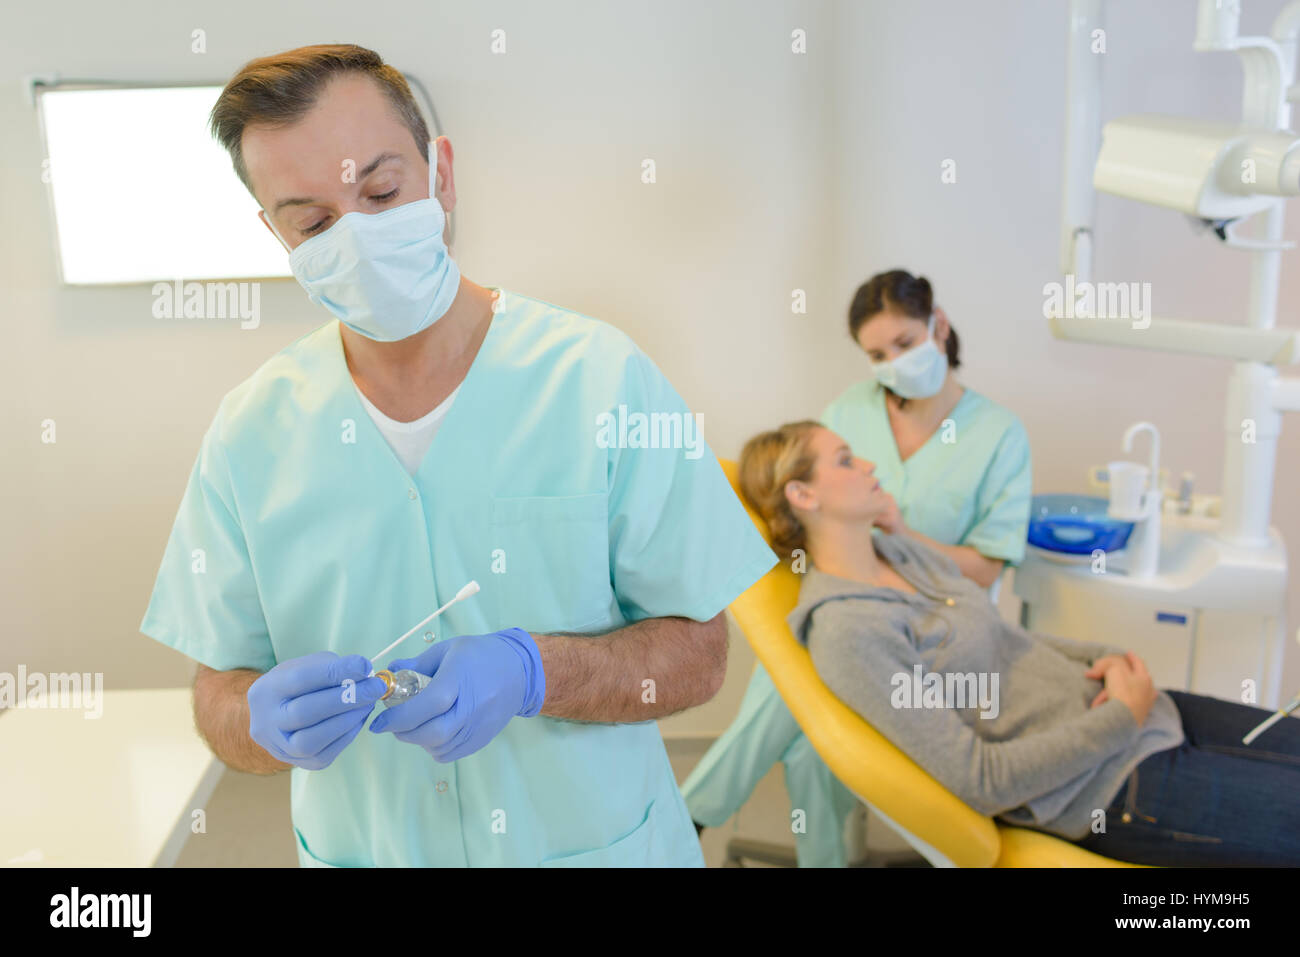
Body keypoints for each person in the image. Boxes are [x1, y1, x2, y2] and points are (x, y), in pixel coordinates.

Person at [139, 43, 777, 867]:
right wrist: (255, 721)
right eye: (315, 221)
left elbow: (700, 655)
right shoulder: (249, 433)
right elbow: (217, 693)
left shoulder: (602, 380)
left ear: (440, 171)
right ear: (274, 232)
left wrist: (534, 671)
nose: (359, 235)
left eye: (380, 189)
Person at [739, 420, 1300, 866]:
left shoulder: (898, 556)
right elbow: (981, 779)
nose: (867, 464)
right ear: (803, 494)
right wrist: (1120, 719)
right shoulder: (849, 631)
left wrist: (1103, 658)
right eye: (844, 460)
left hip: (1142, 714)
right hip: (1108, 786)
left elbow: (1007, 637)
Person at [681, 269, 1031, 866]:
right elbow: (805, 502)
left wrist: (900, 532)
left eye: (903, 344)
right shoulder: (849, 411)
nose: (893, 363)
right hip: (845, 605)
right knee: (809, 716)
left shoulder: (999, 435)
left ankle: (689, 816)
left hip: (928, 627)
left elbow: (985, 568)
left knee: (799, 692)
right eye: (877, 355)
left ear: (937, 326)